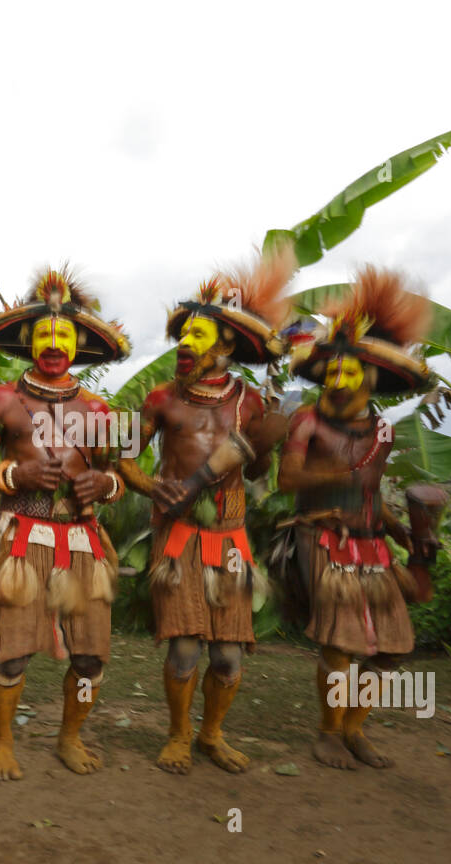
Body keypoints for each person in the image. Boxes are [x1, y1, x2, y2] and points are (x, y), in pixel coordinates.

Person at [118, 251, 293, 774]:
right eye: (183, 335)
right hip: (180, 540)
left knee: (228, 656)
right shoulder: (158, 400)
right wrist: (158, 489)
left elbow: (260, 475)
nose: (185, 345)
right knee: (185, 649)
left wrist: (266, 442)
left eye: (197, 336)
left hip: (231, 540)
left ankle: (212, 735)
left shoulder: (250, 404)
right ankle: (177, 734)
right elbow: (124, 460)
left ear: (228, 344)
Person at [0, 269, 130, 780]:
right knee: (13, 656)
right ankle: (0, 741)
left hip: (82, 541)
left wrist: (106, 487)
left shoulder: (99, 409)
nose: (53, 344)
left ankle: (70, 736)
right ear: (29, 342)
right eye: (43, 335)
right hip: (24, 539)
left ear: (79, 343)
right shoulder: (2, 400)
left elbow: (115, 474)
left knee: (90, 660)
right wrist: (16, 473)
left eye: (63, 336)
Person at [276, 266, 435, 770]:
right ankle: (327, 733)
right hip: (321, 538)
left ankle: (354, 729)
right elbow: (287, 479)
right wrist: (336, 468)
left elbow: (371, 494)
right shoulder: (307, 422)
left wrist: (402, 531)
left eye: (350, 372)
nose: (339, 380)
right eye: (332, 372)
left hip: (372, 544)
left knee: (390, 649)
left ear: (370, 378)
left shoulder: (382, 432)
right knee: (341, 643)